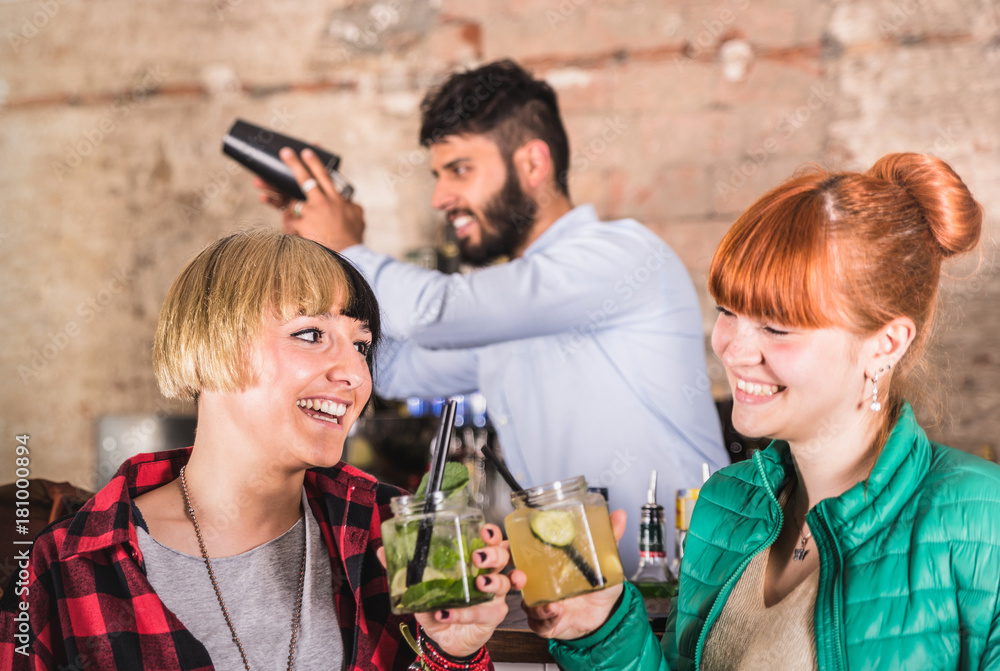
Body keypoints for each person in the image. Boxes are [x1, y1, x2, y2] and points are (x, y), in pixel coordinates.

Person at [518, 153, 1000, 669]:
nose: (732, 347)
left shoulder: (981, 519)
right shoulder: (724, 505)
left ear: (885, 344)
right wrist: (601, 627)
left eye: (776, 327)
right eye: (729, 310)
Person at [255, 59, 728, 571]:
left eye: (460, 170)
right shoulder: (513, 316)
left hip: (690, 591)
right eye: (438, 175)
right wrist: (321, 252)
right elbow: (390, 368)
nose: (442, 198)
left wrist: (347, 246)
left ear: (532, 164)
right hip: (586, 599)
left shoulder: (621, 254)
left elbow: (435, 313)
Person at [0, 230, 514, 670]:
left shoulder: (393, 534)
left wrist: (454, 652)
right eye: (311, 334)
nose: (356, 374)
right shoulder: (64, 567)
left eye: (361, 345)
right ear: (211, 344)